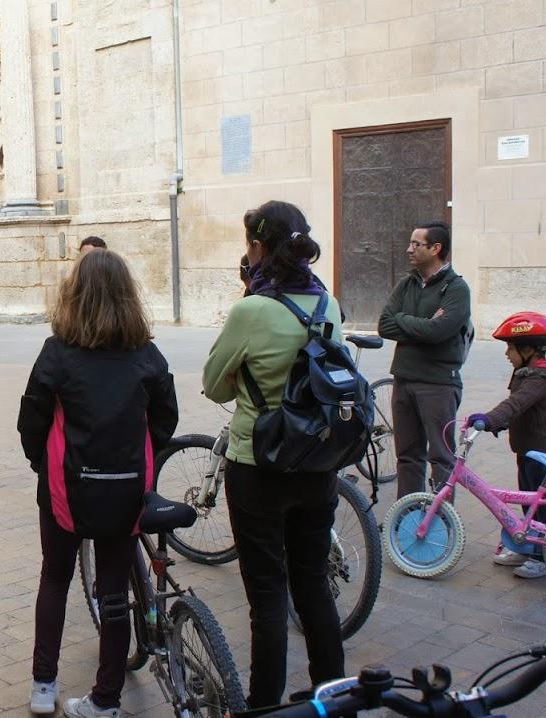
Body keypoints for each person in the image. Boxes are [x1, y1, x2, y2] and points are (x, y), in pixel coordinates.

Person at [18, 249, 178, 718]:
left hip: (67, 488)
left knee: (55, 578)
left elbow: (32, 418)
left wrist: (41, 467)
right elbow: (166, 418)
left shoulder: (58, 352)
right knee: (114, 592)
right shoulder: (146, 354)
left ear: (75, 294)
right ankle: (106, 699)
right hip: (126, 488)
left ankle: (43, 686)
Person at [202, 200, 345, 709]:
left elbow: (213, 384)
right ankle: (331, 694)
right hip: (318, 462)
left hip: (258, 464)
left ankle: (265, 704)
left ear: (259, 248)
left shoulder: (252, 309)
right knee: (313, 585)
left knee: (267, 597)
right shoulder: (328, 304)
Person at [466, 312, 546, 579]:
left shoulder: (539, 379)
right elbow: (520, 411)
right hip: (528, 451)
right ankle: (529, 547)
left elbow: (515, 405)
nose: (507, 353)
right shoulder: (528, 372)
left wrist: (490, 419)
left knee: (541, 508)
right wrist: (500, 424)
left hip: (542, 454)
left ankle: (544, 557)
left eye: (510, 347)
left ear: (527, 349)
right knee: (530, 505)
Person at [378, 220, 472, 498]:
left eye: (416, 244)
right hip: (404, 379)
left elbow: (440, 331)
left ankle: (440, 523)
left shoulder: (456, 289)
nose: (409, 249)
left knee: (441, 458)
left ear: (435, 248)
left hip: (438, 384)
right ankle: (406, 519)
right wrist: (420, 324)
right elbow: (384, 325)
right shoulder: (407, 284)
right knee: (407, 456)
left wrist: (403, 321)